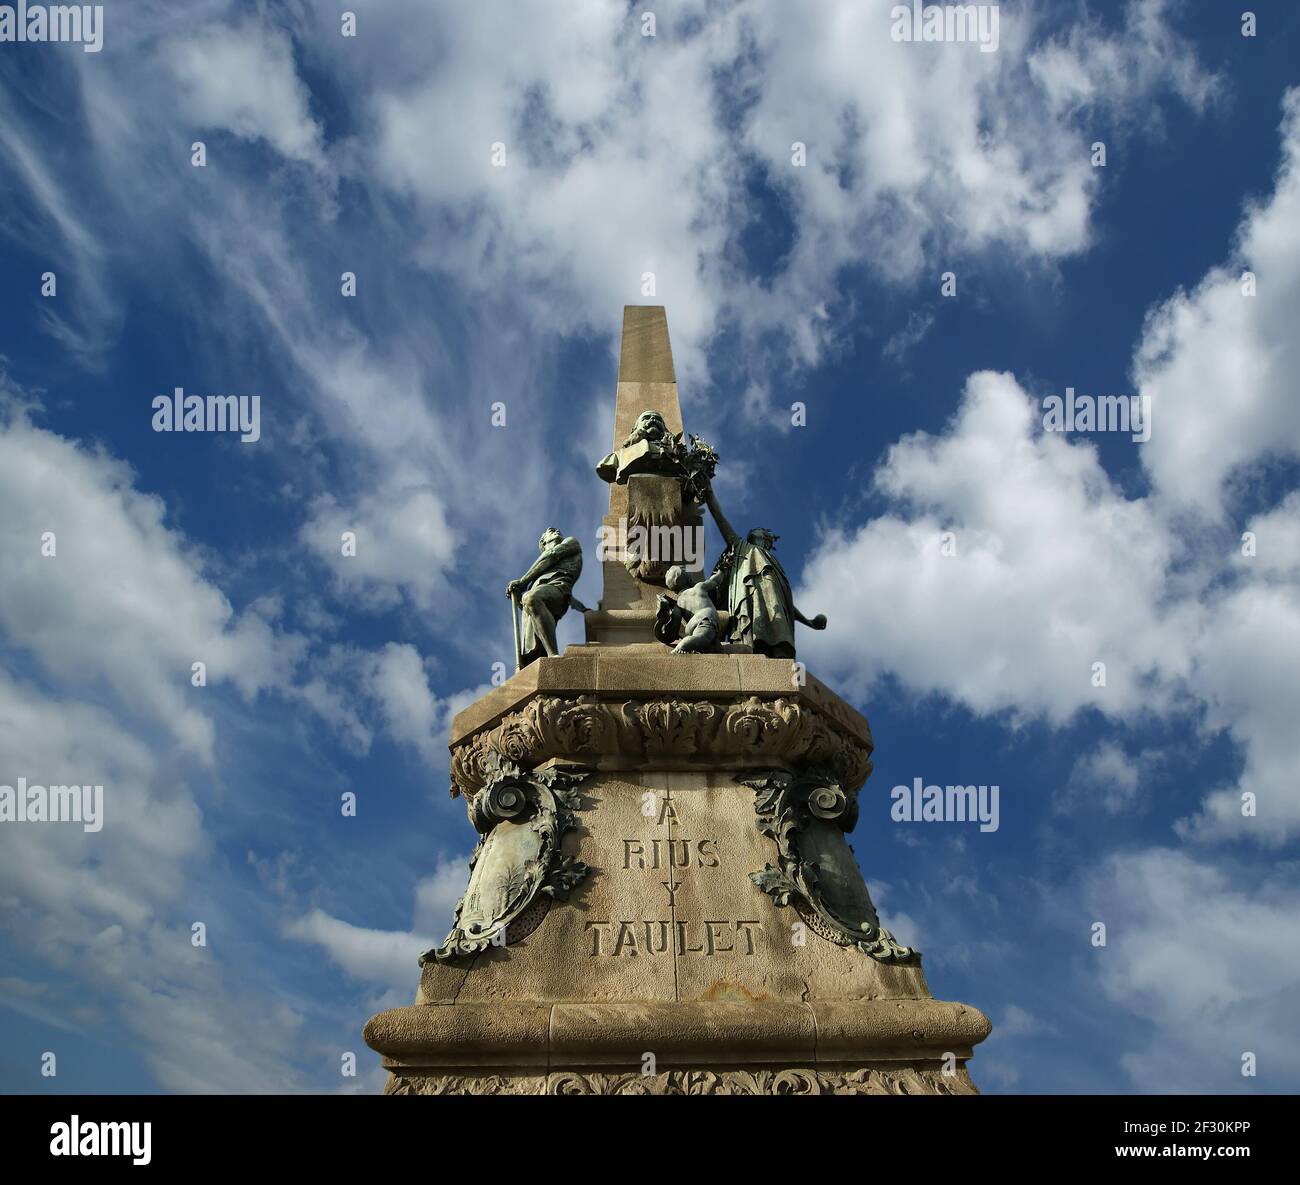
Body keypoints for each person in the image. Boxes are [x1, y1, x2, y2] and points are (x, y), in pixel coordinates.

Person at [701, 482, 826, 660]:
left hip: (775, 614)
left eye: (758, 531)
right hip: (749, 607)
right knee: (751, 650)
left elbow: (786, 605)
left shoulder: (774, 565)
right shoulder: (742, 547)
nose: (754, 531)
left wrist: (809, 622)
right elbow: (720, 518)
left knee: (781, 652)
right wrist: (709, 493)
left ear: (766, 539)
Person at [506, 528, 582, 666]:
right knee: (529, 600)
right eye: (551, 531)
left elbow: (551, 555)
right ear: (543, 541)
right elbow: (530, 610)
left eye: (556, 530)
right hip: (540, 594)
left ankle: (552, 654)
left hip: (559, 589)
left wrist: (522, 582)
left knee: (531, 598)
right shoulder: (537, 577)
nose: (556, 531)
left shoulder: (570, 542)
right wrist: (518, 598)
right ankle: (538, 661)